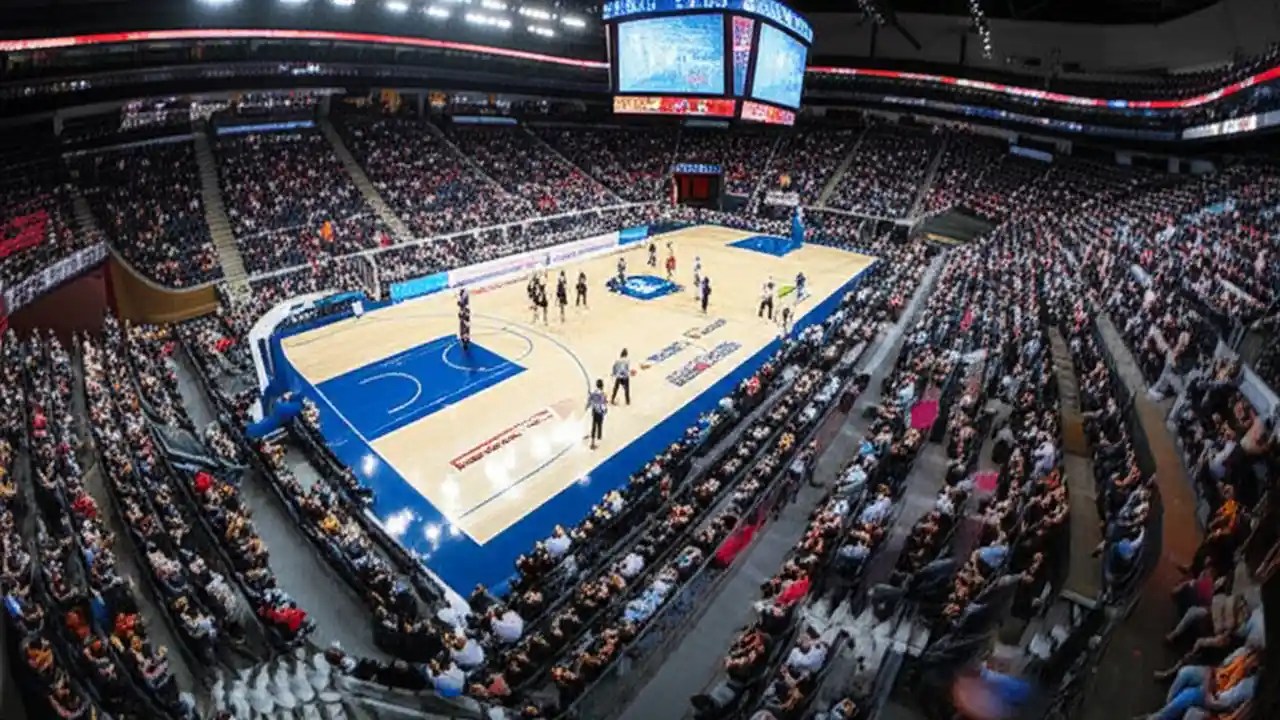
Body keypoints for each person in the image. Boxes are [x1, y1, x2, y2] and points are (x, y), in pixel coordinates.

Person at [587, 379, 607, 450]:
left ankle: (593, 441)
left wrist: (588, 406)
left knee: (594, 425)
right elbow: (603, 404)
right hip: (600, 412)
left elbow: (589, 400)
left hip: (594, 411)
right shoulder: (602, 394)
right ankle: (599, 436)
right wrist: (605, 411)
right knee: (600, 424)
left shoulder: (593, 393)